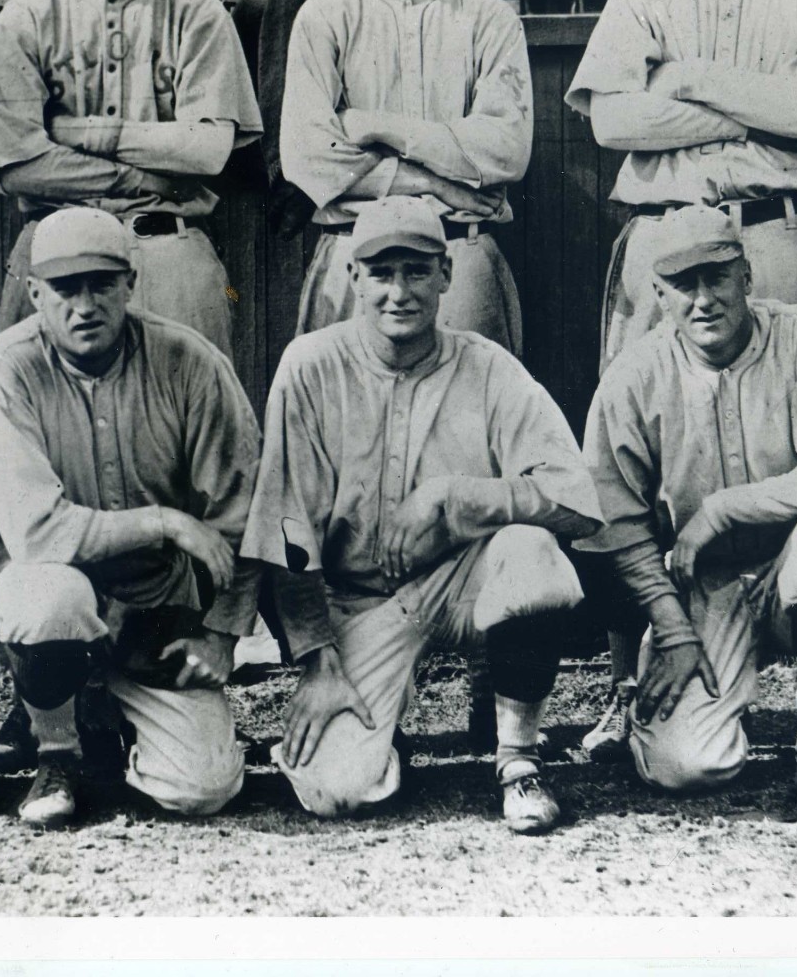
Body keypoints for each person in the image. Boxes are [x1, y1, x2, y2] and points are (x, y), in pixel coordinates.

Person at [562, 0, 797, 758]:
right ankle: (630, 684)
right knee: (635, 461)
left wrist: (687, 77)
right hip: (661, 251)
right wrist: (749, 107)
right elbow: (612, 121)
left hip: (782, 238)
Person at [240, 197, 602, 832]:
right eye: (381, 273)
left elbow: (578, 500)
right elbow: (284, 528)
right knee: (337, 791)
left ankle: (518, 759)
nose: (399, 292)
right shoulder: (311, 364)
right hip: (352, 604)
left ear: (446, 276)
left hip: (452, 583)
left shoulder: (488, 366)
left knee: (532, 553)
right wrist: (320, 668)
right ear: (353, 278)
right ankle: (384, 736)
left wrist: (453, 494)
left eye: (416, 271)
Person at [0, 207, 264, 828]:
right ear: (34, 292)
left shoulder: (191, 361)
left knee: (201, 790)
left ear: (131, 282)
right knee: (44, 594)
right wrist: (166, 522)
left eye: (102, 283)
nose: (85, 304)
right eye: (66, 287)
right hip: (51, 587)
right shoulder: (1, 367)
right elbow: (38, 534)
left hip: (155, 609)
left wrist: (222, 634)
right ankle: (57, 749)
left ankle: (108, 715)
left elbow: (246, 506)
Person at [579, 206, 797, 819]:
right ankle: (658, 701)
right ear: (659, 296)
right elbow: (612, 523)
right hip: (701, 586)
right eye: (682, 284)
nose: (703, 300)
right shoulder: (633, 376)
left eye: (716, 277)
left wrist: (722, 508)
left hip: (791, 562)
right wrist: (668, 626)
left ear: (747, 275)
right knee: (686, 767)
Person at [0, 0, 263, 355]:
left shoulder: (198, 13)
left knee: (194, 422)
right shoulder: (24, 19)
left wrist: (85, 133)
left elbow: (208, 150)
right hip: (53, 248)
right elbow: (15, 166)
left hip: (166, 248)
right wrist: (145, 174)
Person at [280, 0, 533, 353]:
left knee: (469, 433)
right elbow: (306, 157)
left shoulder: (492, 19)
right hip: (352, 259)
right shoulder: (324, 16)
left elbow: (506, 152)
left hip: (459, 263)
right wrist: (437, 182)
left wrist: (374, 126)